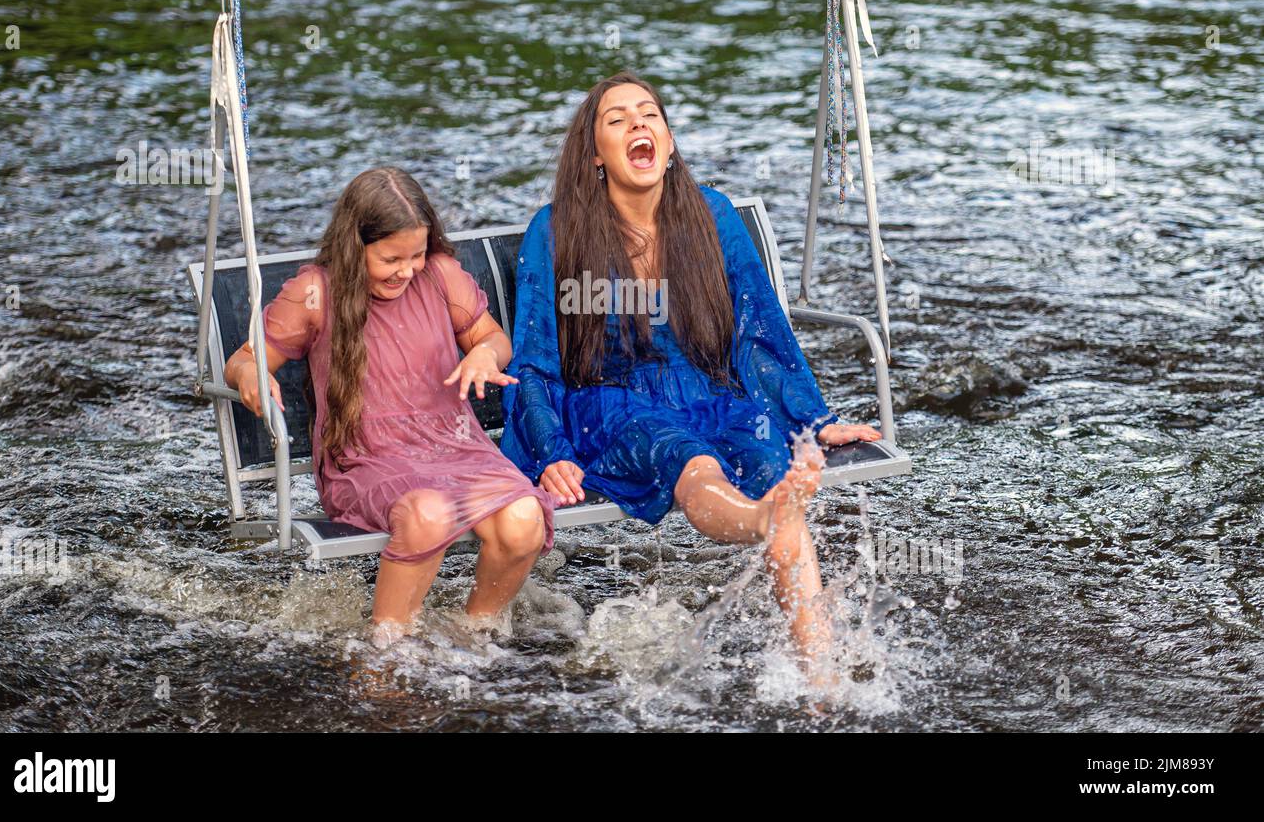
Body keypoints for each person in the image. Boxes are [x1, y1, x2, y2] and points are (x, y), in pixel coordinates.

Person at [501, 72, 881, 661]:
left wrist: (815, 415)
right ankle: (761, 520)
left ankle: (820, 677)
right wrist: (552, 451)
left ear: (670, 143)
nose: (638, 125)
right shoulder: (556, 230)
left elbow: (761, 331)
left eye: (650, 115)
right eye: (617, 119)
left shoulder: (713, 215)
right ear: (594, 154)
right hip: (609, 402)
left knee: (767, 461)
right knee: (692, 460)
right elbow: (533, 359)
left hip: (704, 391)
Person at [225, 166, 559, 643]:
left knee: (524, 518)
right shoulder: (316, 292)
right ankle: (387, 651)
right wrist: (251, 376)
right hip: (368, 457)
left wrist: (485, 353)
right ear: (352, 246)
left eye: (416, 255)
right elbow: (246, 358)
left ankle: (475, 631)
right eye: (389, 258)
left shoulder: (441, 276)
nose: (406, 270)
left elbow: (490, 337)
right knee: (428, 515)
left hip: (454, 446)